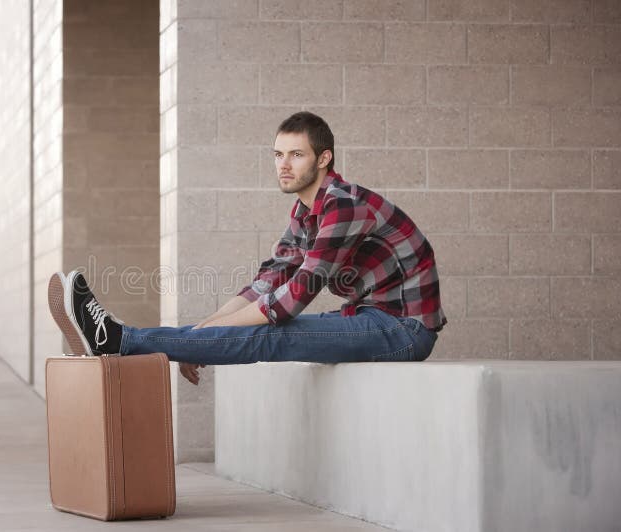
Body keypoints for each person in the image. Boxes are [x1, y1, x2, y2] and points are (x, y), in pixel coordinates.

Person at [48, 112, 446, 385]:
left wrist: (202, 338)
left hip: (404, 329)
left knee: (273, 335)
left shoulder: (343, 204)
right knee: (256, 325)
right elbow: (269, 281)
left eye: (296, 154)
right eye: (278, 154)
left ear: (324, 158)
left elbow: (289, 302)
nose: (283, 165)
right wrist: (202, 330)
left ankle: (119, 339)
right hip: (370, 316)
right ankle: (115, 337)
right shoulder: (305, 209)